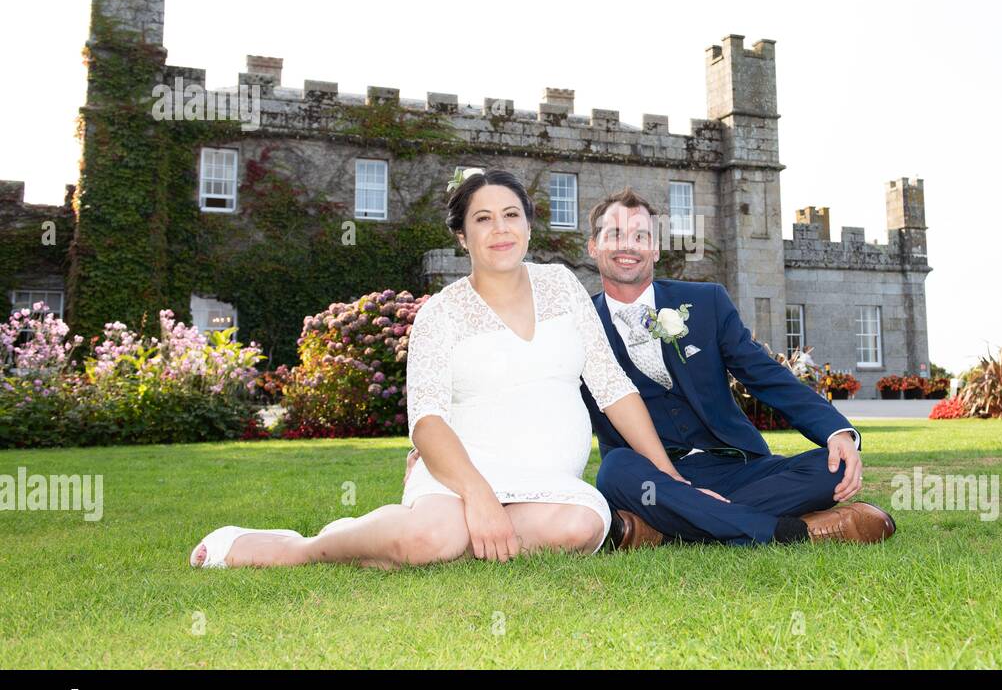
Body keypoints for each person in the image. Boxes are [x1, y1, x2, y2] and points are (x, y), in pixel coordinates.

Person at [190, 169, 700, 569]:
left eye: (510, 216)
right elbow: (427, 420)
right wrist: (477, 496)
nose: (500, 230)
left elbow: (612, 387)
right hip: (460, 474)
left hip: (547, 485)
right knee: (429, 538)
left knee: (581, 526)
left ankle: (410, 540)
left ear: (527, 225)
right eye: (482, 219)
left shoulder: (563, 287)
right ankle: (298, 548)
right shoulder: (441, 313)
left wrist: (669, 474)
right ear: (462, 236)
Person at [580, 188, 895, 548]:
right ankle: (788, 532)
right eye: (615, 234)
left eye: (641, 236)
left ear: (655, 249)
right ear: (593, 246)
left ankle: (667, 528)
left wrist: (837, 432)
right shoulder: (578, 326)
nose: (628, 246)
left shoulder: (705, 302)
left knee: (832, 468)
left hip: (740, 469)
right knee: (615, 471)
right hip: (652, 478)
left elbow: (765, 374)